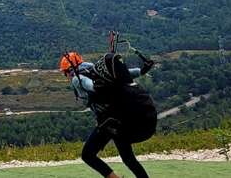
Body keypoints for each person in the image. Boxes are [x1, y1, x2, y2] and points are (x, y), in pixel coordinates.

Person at [61, 49, 158, 178]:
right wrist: (141, 71)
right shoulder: (94, 68)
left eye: (64, 73)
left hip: (108, 121)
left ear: (68, 70)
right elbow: (124, 74)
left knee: (88, 155)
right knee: (128, 159)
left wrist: (94, 87)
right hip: (121, 117)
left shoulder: (76, 78)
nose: (66, 76)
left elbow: (88, 84)